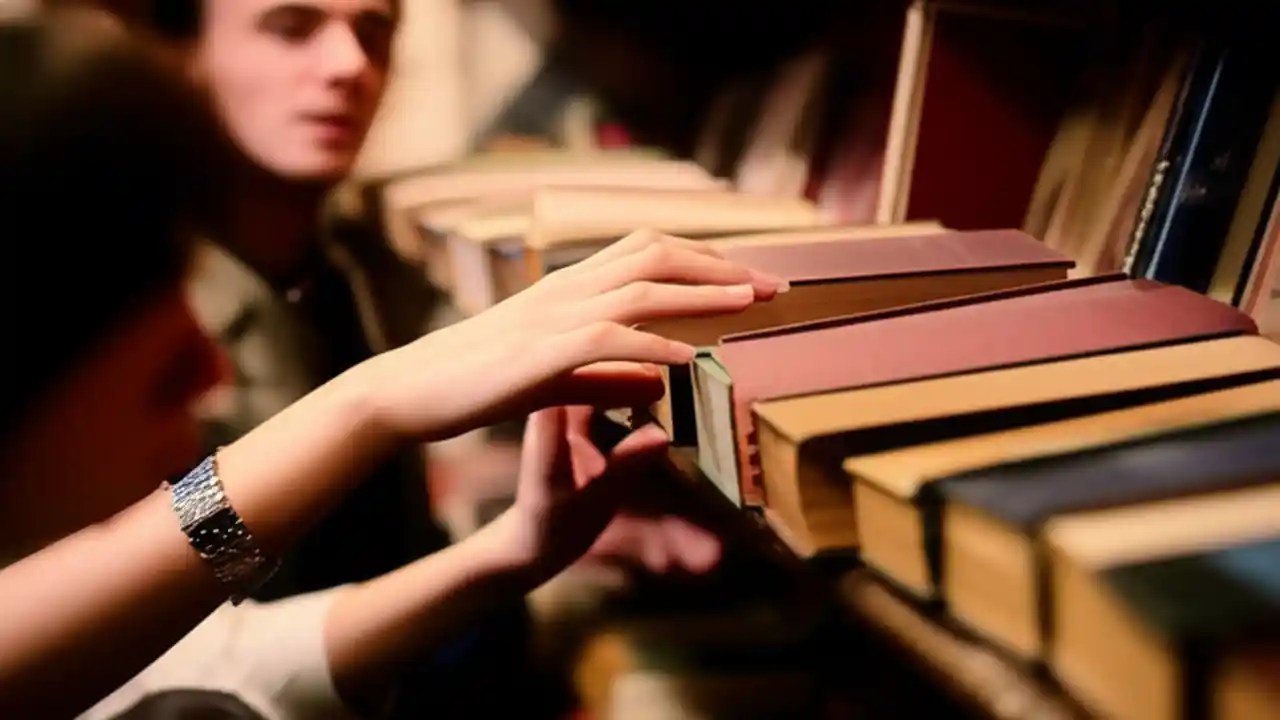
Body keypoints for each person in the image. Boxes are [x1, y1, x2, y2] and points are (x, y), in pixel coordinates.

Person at [0, 8, 786, 719]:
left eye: (375, 33)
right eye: (291, 27)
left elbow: (206, 647)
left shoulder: (352, 269)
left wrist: (507, 551)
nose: (210, 372)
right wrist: (371, 403)